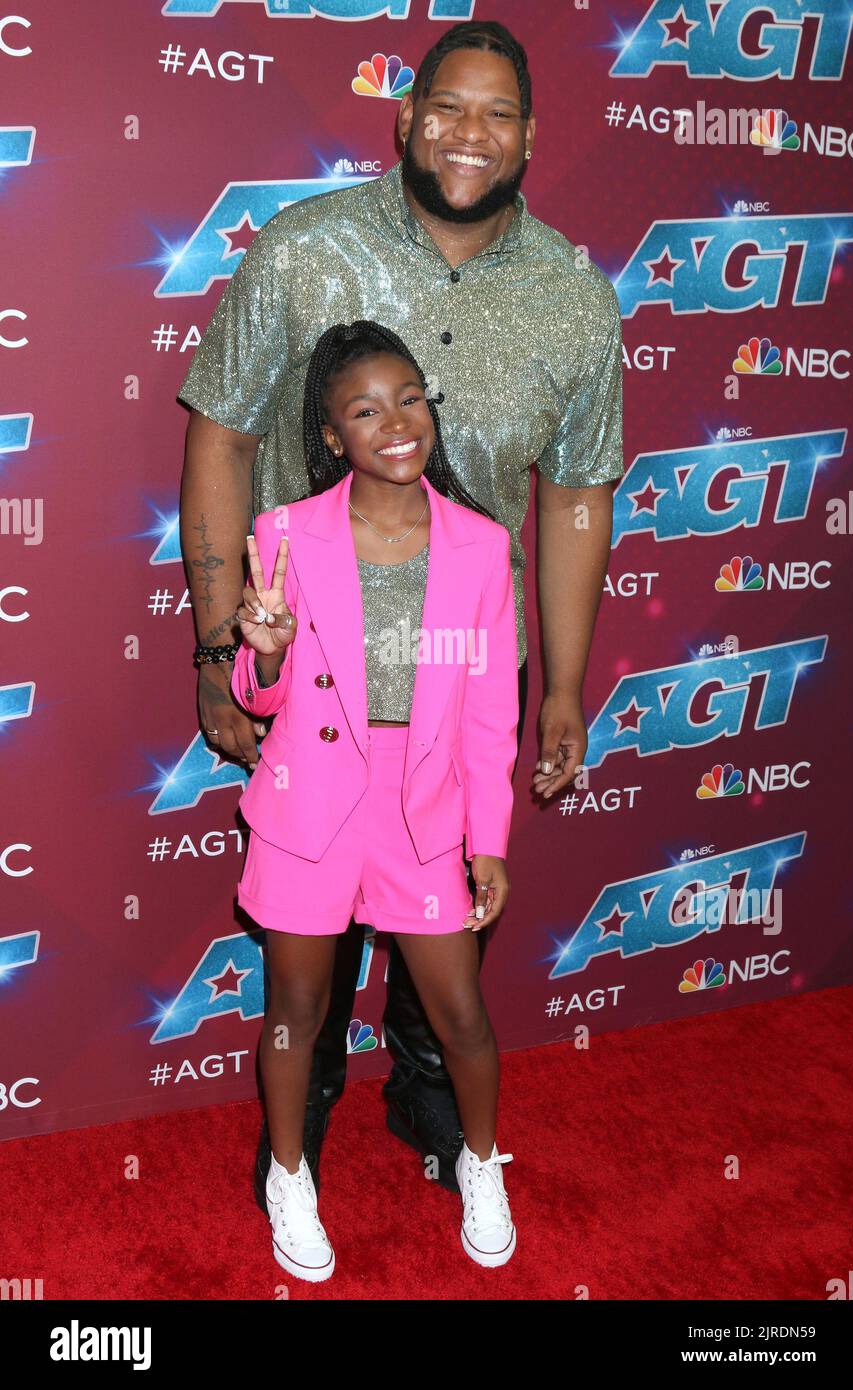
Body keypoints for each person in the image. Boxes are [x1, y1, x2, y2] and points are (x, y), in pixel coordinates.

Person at [178, 19, 624, 1201]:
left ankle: (441, 1128)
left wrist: (566, 684)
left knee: (447, 952)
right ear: (403, 117)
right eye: (445, 109)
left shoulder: (573, 298)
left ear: (529, 134)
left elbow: (576, 498)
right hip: (301, 659)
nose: (467, 136)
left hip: (461, 673)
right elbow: (219, 436)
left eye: (495, 115)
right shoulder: (301, 250)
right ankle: (294, 1151)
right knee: (304, 974)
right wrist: (221, 641)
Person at [231, 319, 519, 1281]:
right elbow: (258, 695)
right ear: (331, 436)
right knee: (295, 1014)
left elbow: (488, 712)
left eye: (409, 398)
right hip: (313, 805)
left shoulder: (480, 547)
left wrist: (490, 835)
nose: (395, 423)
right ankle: (287, 1175)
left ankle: (482, 1165)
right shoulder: (284, 536)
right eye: (365, 410)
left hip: (424, 810)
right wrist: (262, 654)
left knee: (463, 1017)